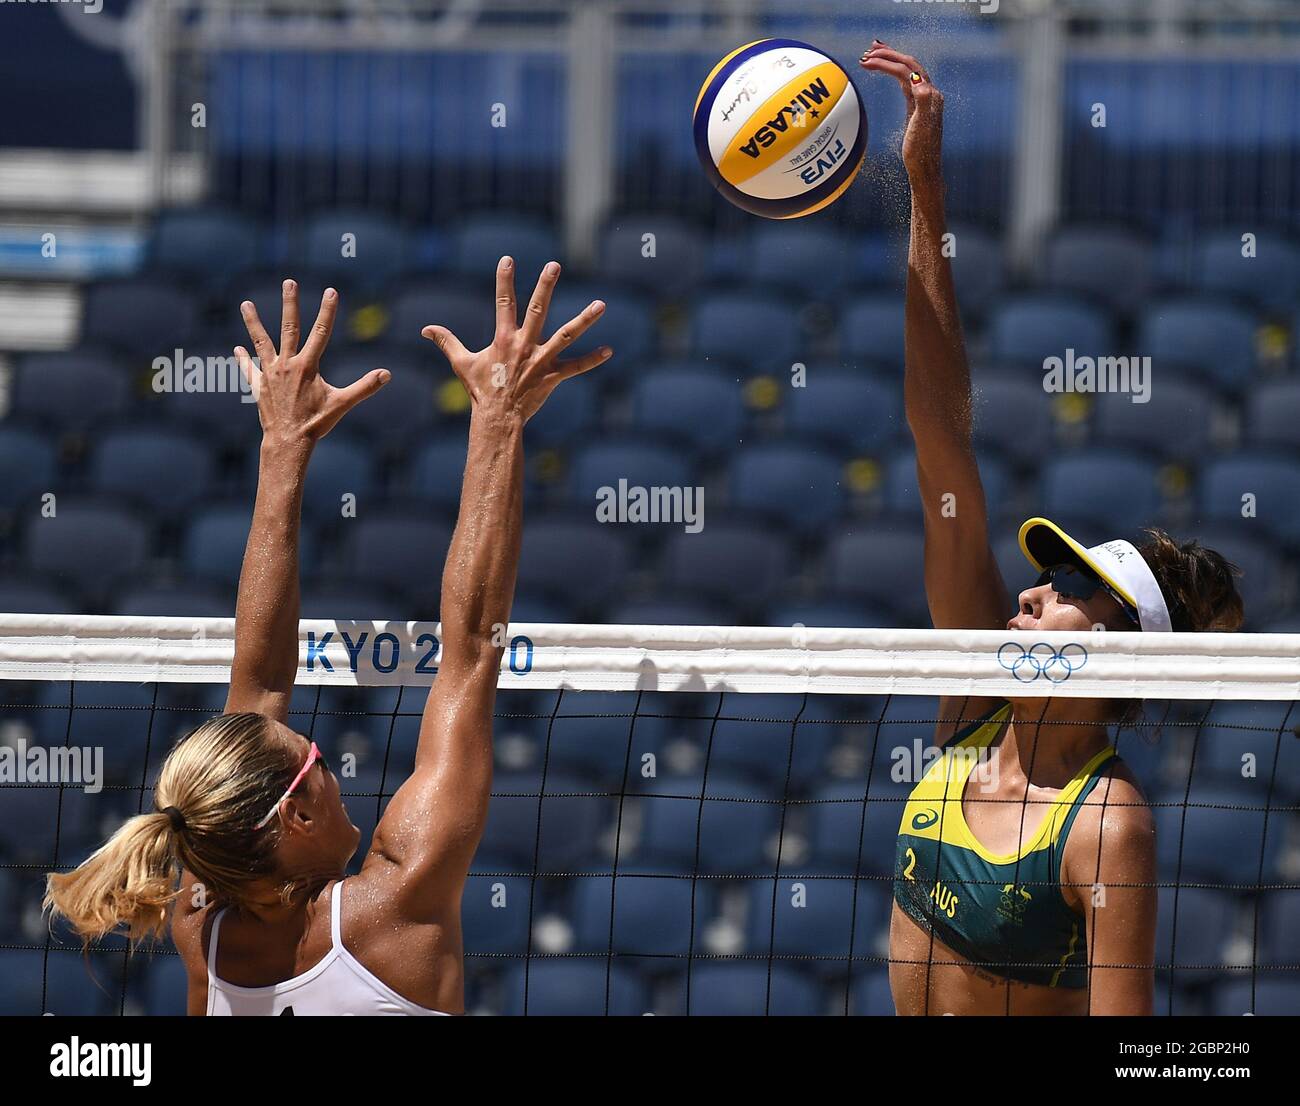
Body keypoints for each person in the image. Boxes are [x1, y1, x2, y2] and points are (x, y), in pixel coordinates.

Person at [45, 260, 610, 1014]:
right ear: (298, 815)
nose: (329, 761)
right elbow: (471, 648)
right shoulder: (393, 910)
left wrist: (283, 447)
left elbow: (258, 687)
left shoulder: (200, 921)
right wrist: (499, 420)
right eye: (314, 760)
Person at [860, 41, 1244, 1015]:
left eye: (1069, 589)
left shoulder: (1109, 822)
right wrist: (928, 189)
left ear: (1124, 654)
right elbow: (939, 437)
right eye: (1048, 576)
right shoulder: (971, 699)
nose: (1031, 590)